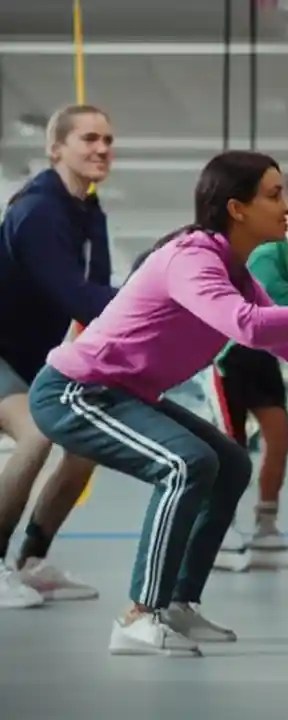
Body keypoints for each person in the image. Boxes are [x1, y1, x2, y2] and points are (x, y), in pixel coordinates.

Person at [26, 150, 288, 657]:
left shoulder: (238, 274)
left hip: (123, 394)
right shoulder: (191, 256)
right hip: (73, 392)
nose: (287, 207)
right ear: (237, 208)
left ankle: (175, 603)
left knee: (230, 463)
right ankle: (137, 616)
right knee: (186, 463)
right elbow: (247, 326)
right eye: (274, 194)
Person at [0, 104, 118, 608]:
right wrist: (164, 302)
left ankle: (31, 560)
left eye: (108, 141)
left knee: (87, 441)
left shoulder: (90, 213)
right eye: (89, 139)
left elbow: (101, 302)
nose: (102, 149)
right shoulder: (38, 211)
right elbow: (78, 296)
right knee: (37, 434)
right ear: (56, 150)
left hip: (34, 360)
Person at [209, 171, 288, 572]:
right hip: (229, 358)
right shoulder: (267, 254)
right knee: (232, 451)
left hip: (263, 358)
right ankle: (218, 531)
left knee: (279, 439)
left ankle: (266, 527)